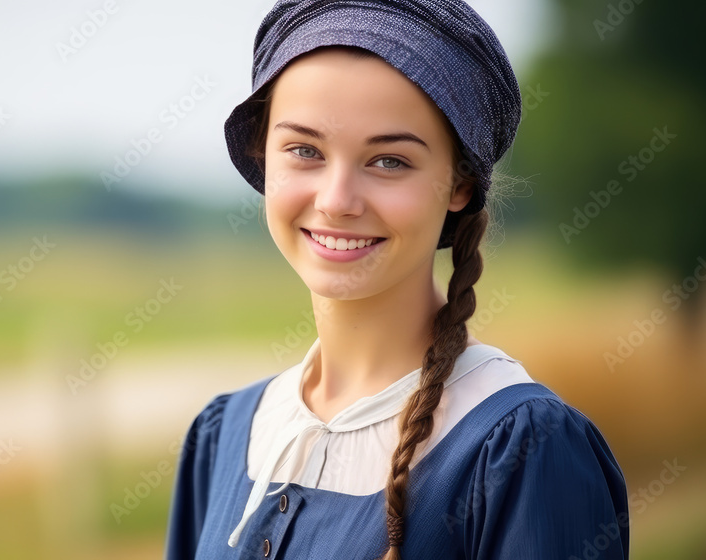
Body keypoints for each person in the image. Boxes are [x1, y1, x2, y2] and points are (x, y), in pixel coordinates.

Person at [165, 1, 629, 558]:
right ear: (264, 156)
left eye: (389, 161)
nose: (336, 201)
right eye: (305, 150)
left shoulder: (522, 447)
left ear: (459, 183)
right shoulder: (223, 435)